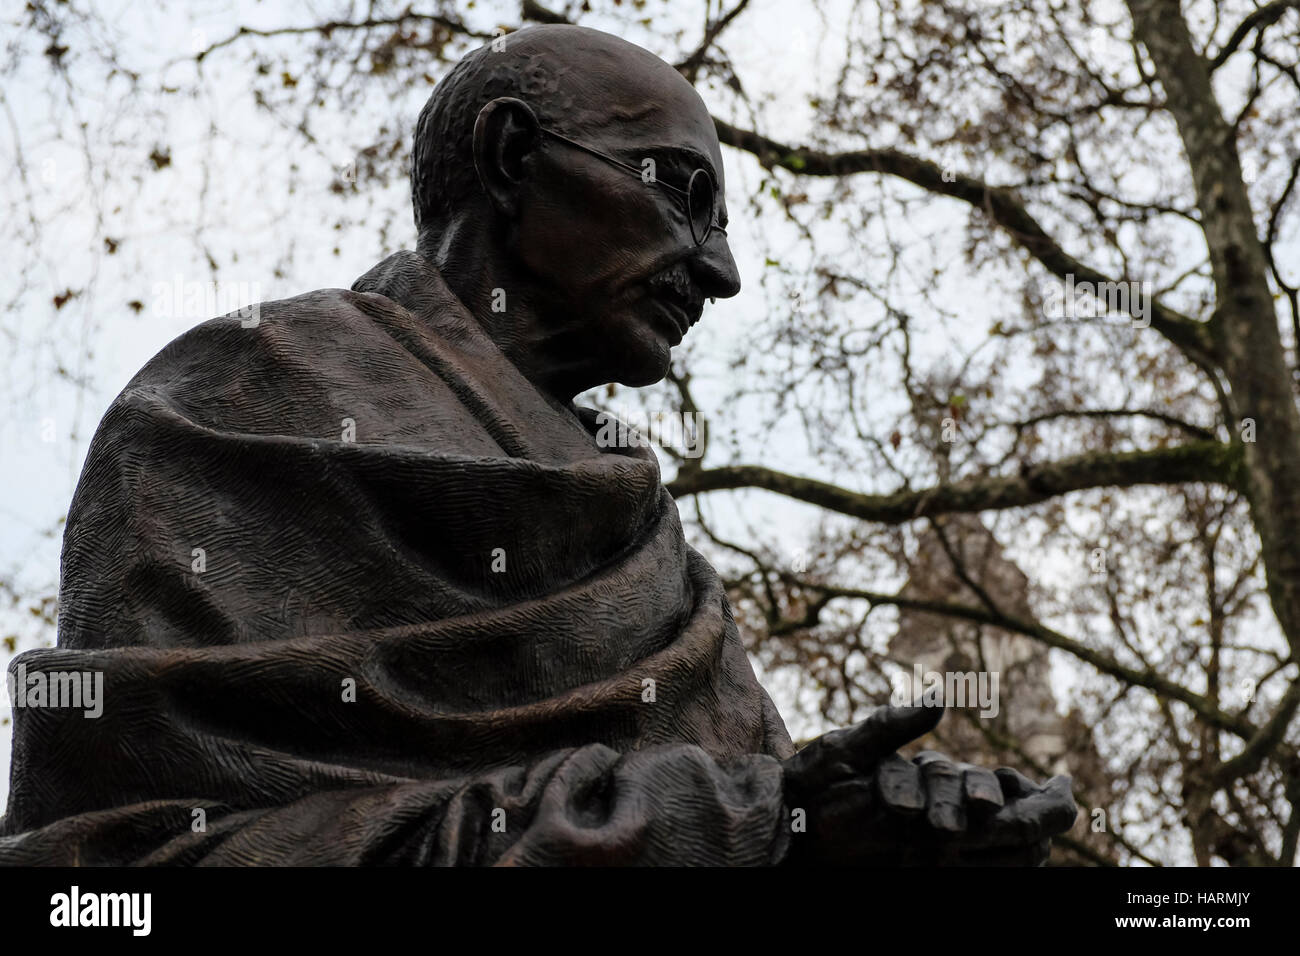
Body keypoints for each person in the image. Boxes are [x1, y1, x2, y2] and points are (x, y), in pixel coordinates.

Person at [0, 24, 1075, 865]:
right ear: (513, 155)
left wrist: (850, 831)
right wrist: (720, 826)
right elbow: (119, 869)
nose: (719, 272)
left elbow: (765, 815)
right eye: (683, 195)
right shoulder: (237, 399)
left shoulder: (659, 564)